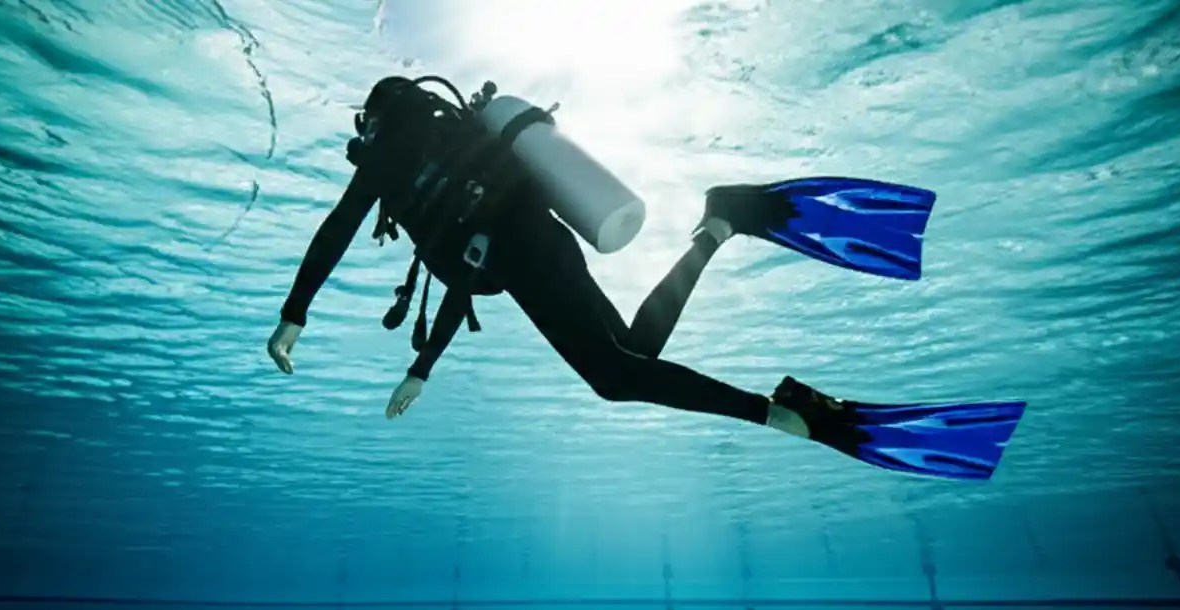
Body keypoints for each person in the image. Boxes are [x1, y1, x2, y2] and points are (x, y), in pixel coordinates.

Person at [268, 76, 1025, 481]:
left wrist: (293, 313)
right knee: (630, 354)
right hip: (537, 238)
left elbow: (338, 227)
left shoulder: (392, 152)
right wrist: (423, 368)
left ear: (374, 119)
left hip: (520, 245)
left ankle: (785, 414)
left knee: (614, 376)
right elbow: (461, 263)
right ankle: (720, 224)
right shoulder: (443, 151)